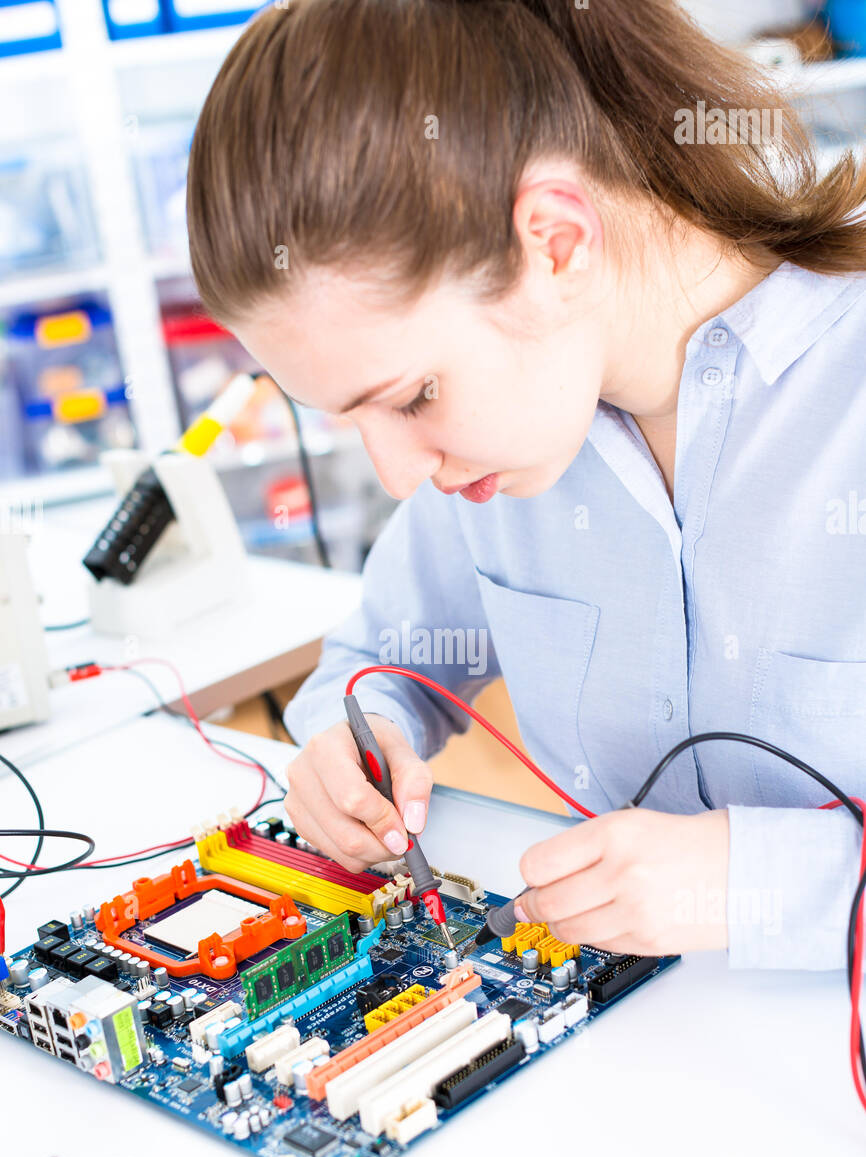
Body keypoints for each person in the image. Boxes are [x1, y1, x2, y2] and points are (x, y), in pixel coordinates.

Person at [186, 0, 866, 971]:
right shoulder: (503, 442)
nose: (395, 470)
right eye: (353, 417)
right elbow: (382, 657)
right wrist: (359, 734)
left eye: (414, 394)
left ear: (553, 242)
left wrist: (754, 881)